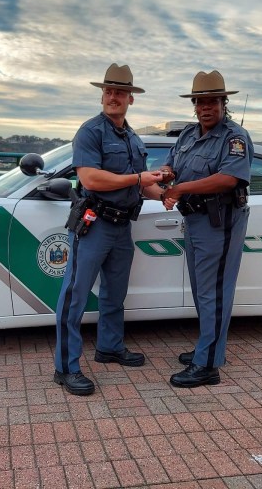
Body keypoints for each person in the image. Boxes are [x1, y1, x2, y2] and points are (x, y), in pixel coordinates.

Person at [53, 63, 164, 396]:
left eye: (120, 92)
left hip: (121, 227)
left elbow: (144, 186)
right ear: (103, 95)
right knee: (74, 298)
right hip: (94, 224)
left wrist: (168, 194)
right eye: (108, 91)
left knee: (115, 294)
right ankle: (65, 368)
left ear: (131, 98)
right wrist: (138, 179)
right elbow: (90, 179)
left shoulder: (132, 137)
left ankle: (110, 347)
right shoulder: (91, 132)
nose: (113, 97)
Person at [160, 70, 253, 388]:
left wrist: (182, 188)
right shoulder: (188, 135)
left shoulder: (234, 136)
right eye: (200, 102)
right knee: (203, 290)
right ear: (194, 105)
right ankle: (209, 349)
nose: (205, 107)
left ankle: (207, 366)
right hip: (195, 220)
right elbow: (173, 163)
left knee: (214, 291)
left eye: (212, 101)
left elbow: (229, 178)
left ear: (223, 103)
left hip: (221, 221)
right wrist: (166, 173)